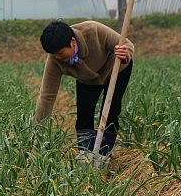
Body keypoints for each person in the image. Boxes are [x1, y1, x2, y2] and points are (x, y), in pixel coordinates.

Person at [34, 20, 135, 156]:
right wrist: (37, 132)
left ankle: (103, 155)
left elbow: (128, 45)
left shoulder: (94, 31)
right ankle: (86, 155)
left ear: (72, 42)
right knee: (84, 115)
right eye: (53, 54)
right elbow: (46, 96)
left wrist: (124, 53)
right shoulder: (55, 61)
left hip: (116, 69)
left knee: (111, 111)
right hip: (88, 79)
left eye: (60, 53)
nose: (57, 57)